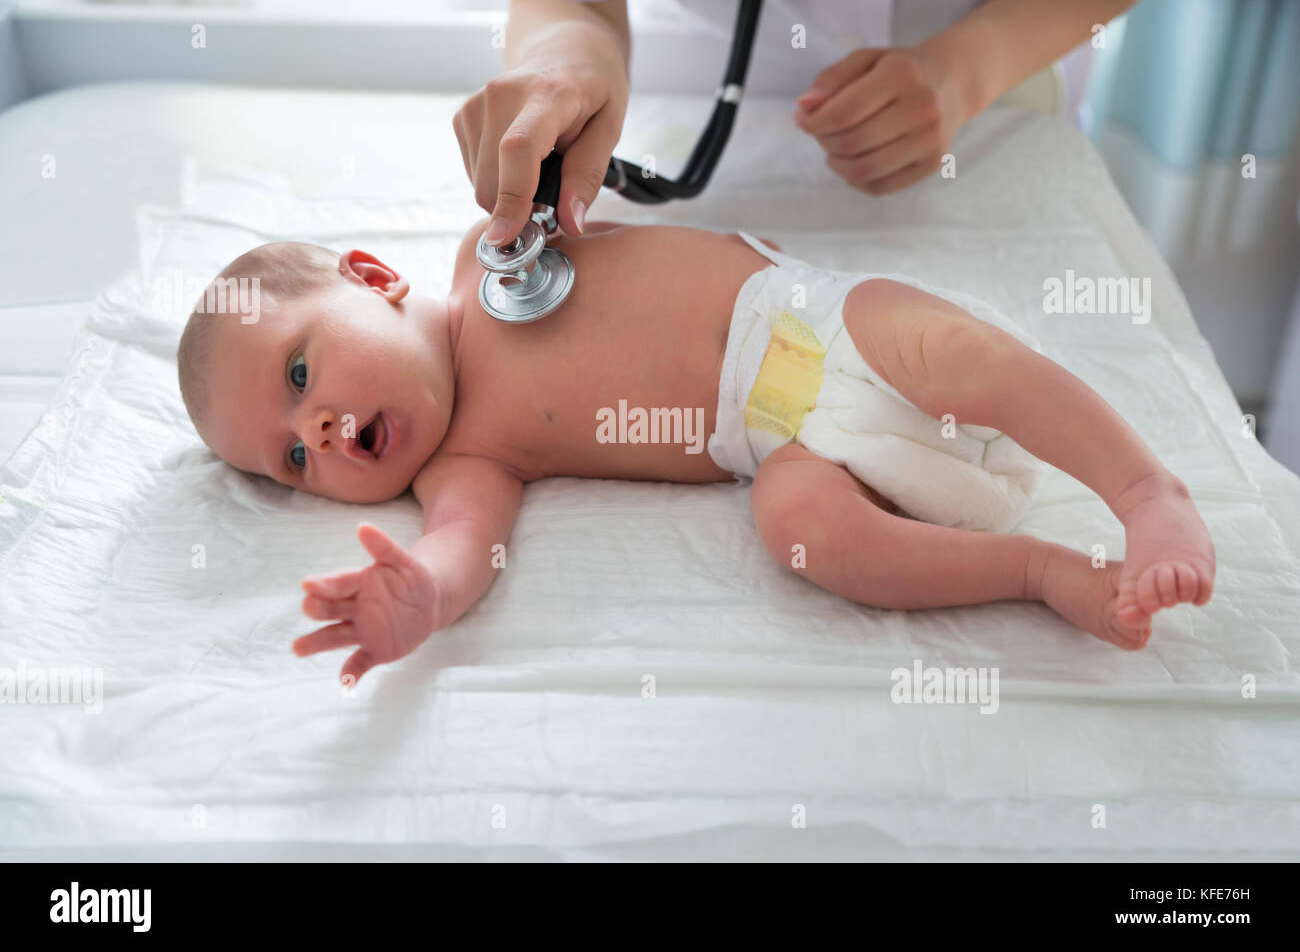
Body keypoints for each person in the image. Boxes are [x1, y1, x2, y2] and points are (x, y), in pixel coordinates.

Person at [175, 215, 1215, 683]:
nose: (313, 432)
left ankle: (1142, 488)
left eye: (301, 375)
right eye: (290, 461)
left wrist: (536, 156)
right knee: (799, 531)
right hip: (787, 441)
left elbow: (562, 154)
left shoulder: (492, 246)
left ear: (370, 276)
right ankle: (1039, 570)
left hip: (815, 320)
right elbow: (464, 544)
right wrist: (426, 600)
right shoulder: (468, 464)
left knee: (951, 353)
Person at [454, 0, 1142, 248]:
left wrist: (966, 70)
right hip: (689, 95)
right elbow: (571, 3)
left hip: (990, 108)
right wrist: (564, 63)